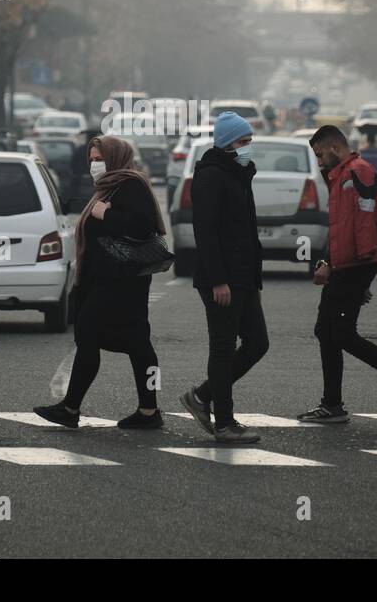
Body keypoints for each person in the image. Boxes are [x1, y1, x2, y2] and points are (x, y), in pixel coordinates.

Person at [34, 135, 166, 430]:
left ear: (116, 158)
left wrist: (106, 213)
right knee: (135, 343)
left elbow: (143, 225)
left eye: (100, 159)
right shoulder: (110, 186)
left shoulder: (131, 184)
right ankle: (148, 411)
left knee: (90, 335)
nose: (95, 165)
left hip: (119, 282)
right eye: (92, 160)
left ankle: (70, 408)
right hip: (106, 279)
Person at [297, 126, 377, 424]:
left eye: (319, 155)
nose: (318, 162)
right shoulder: (340, 175)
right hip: (349, 266)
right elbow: (341, 229)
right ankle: (332, 405)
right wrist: (330, 261)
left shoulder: (359, 172)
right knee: (327, 331)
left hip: (355, 264)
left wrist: (357, 268)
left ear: (335, 148)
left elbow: (365, 221)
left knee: (339, 333)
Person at [179, 112, 269, 444]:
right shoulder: (211, 176)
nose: (249, 147)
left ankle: (202, 396)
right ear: (228, 143)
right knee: (222, 347)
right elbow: (206, 232)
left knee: (258, 343)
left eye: (249, 140)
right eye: (243, 141)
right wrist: (218, 279)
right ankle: (224, 423)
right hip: (221, 279)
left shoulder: (239, 173)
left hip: (244, 276)